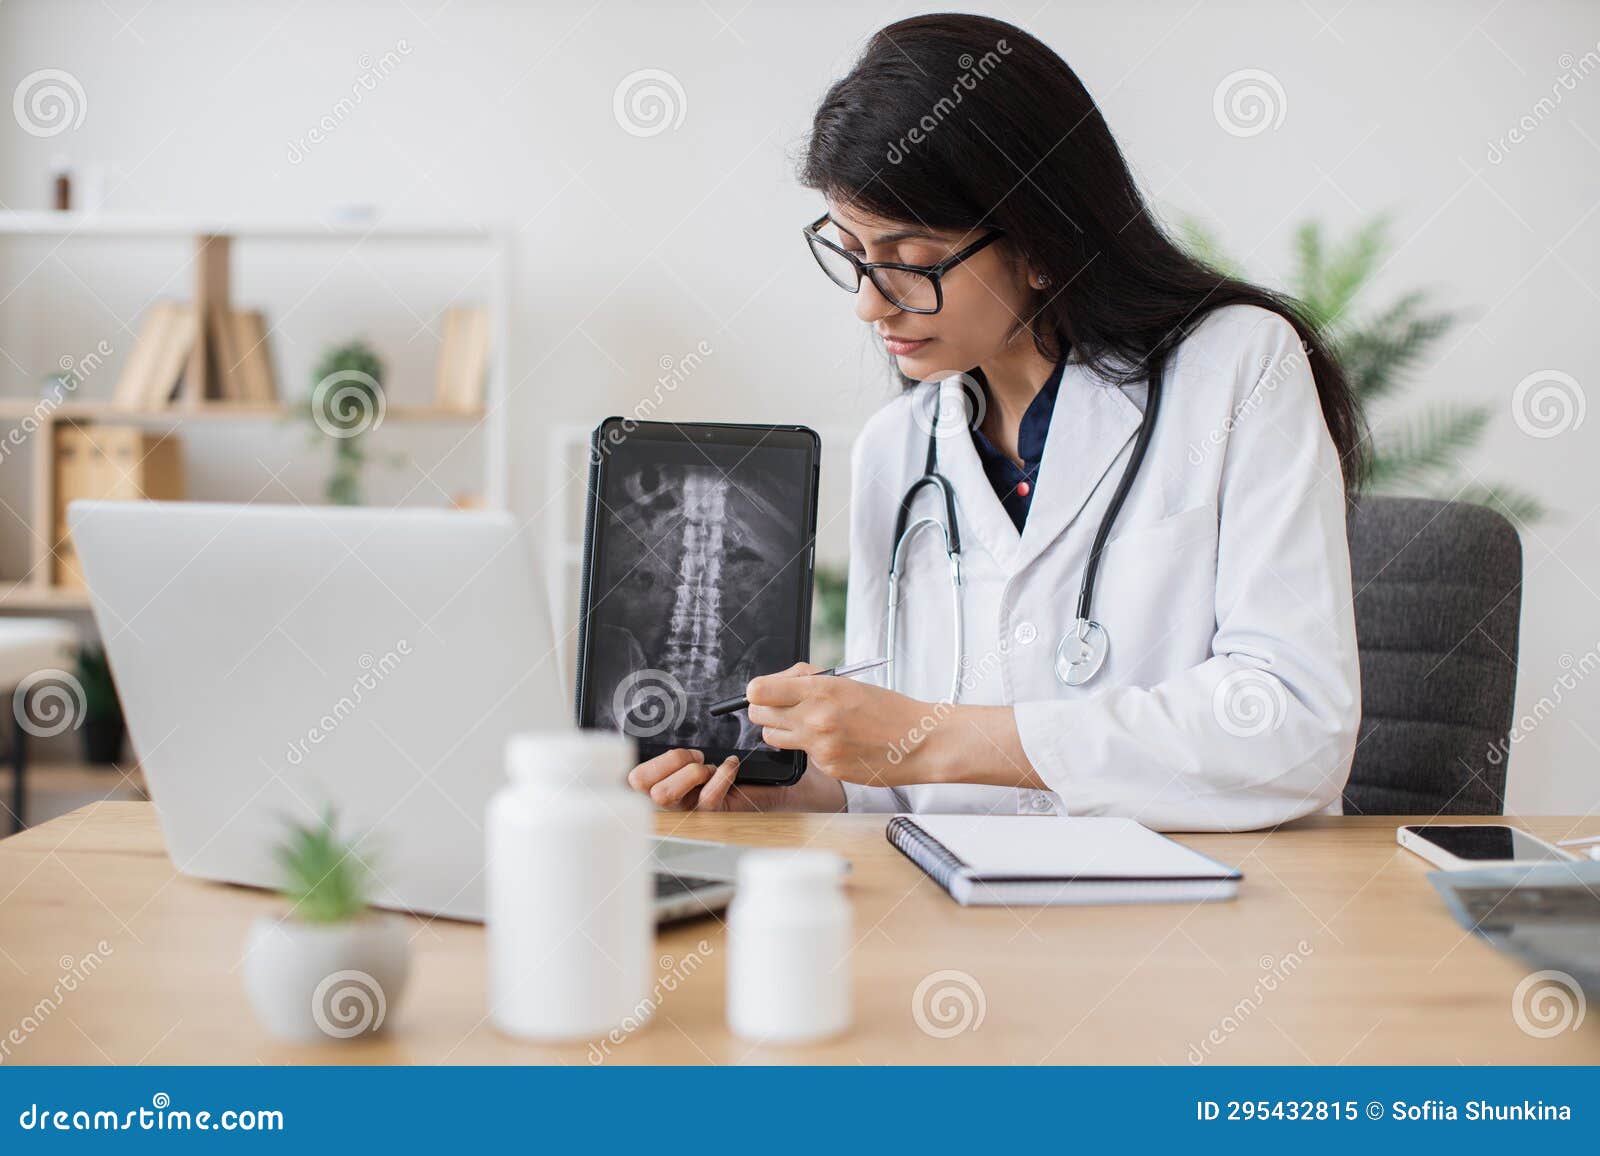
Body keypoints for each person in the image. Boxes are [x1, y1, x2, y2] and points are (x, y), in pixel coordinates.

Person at [627, 13, 1364, 830]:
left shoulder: (1237, 368)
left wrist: (935, 739)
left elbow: (1294, 726)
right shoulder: (897, 452)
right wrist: (792, 789)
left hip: (1199, 918)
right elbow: (896, 790)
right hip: (961, 922)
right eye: (853, 255)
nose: (871, 302)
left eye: (910, 263)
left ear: (1045, 242)